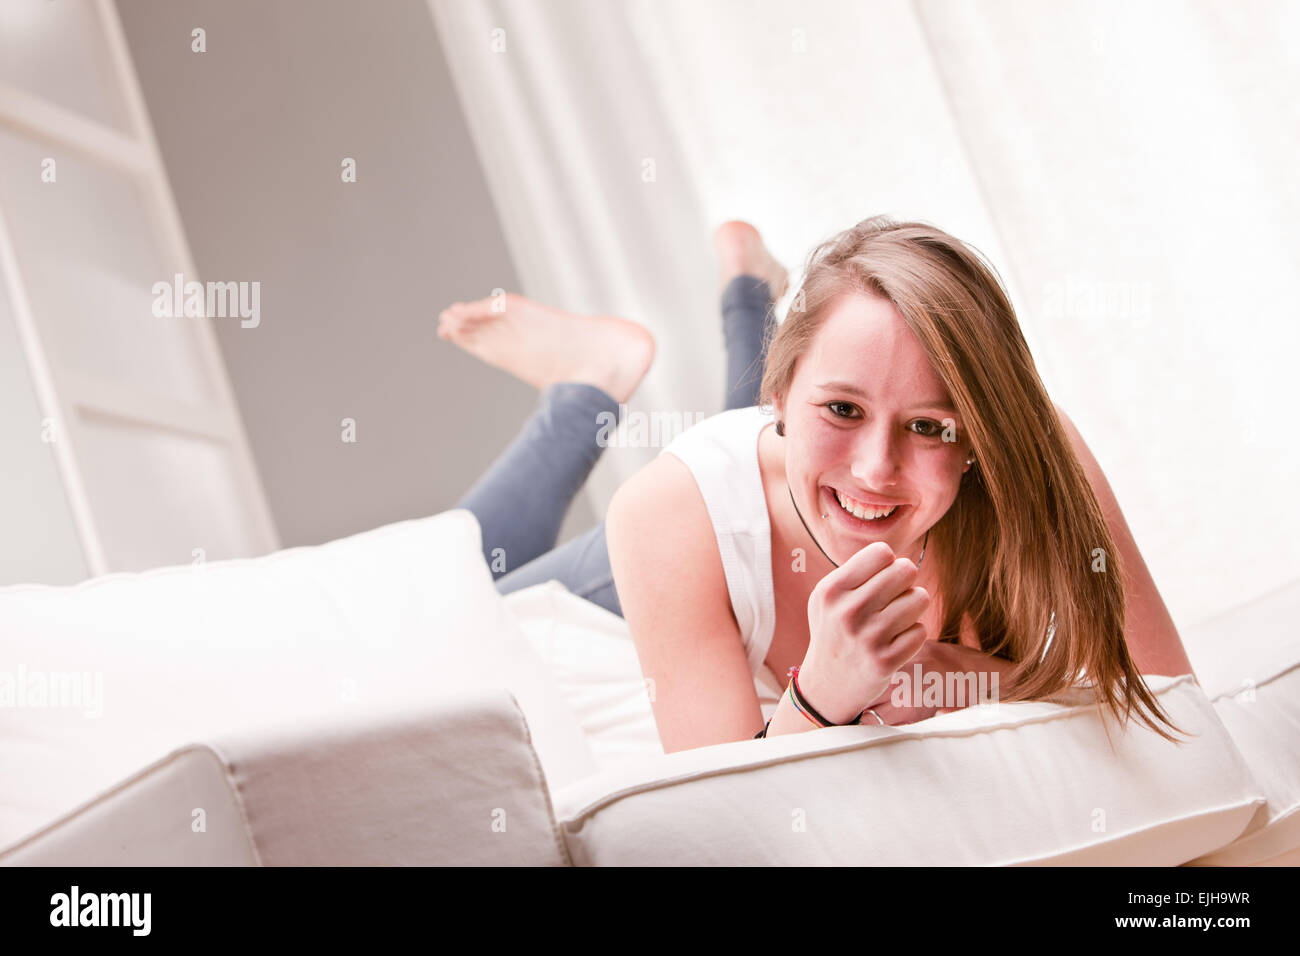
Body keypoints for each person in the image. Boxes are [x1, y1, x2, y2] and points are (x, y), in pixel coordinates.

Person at [443, 216, 1196, 754]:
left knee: (831, 461)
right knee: (443, 585)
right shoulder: (672, 511)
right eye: (842, 408)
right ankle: (593, 380)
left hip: (780, 480)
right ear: (777, 394)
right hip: (602, 599)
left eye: (933, 426)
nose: (878, 469)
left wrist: (973, 681)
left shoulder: (1033, 447)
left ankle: (749, 288)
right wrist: (822, 696)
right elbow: (731, 825)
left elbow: (1175, 709)